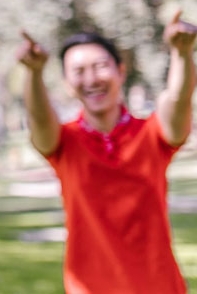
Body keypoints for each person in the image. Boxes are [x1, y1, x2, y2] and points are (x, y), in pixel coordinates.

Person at [17, 16, 195, 294]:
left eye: (100, 66)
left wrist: (182, 54)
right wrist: (34, 73)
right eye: (78, 71)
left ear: (121, 72)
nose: (91, 79)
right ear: (66, 83)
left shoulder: (152, 134)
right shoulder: (64, 142)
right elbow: (39, 119)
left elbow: (178, 100)